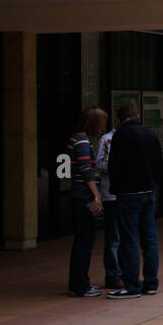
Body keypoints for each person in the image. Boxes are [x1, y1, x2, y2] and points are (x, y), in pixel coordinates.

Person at [107, 102, 163, 299]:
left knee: (129, 238)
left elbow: (114, 165)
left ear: (119, 118)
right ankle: (151, 283)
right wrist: (154, 183)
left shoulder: (120, 135)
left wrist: (116, 189)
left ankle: (131, 285)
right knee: (149, 238)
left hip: (128, 193)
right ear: (137, 115)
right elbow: (159, 163)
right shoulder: (150, 134)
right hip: (148, 191)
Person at [66, 107, 108, 297]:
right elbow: (86, 170)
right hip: (84, 196)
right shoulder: (82, 141)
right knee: (85, 241)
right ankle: (81, 285)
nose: (102, 127)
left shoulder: (75, 139)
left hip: (78, 195)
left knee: (82, 241)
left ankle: (78, 283)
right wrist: (96, 195)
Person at [94, 114, 124, 290]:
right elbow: (99, 163)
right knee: (114, 238)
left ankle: (124, 272)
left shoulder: (130, 137)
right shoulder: (107, 139)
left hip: (127, 195)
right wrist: (120, 165)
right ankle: (113, 275)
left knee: (125, 236)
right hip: (111, 194)